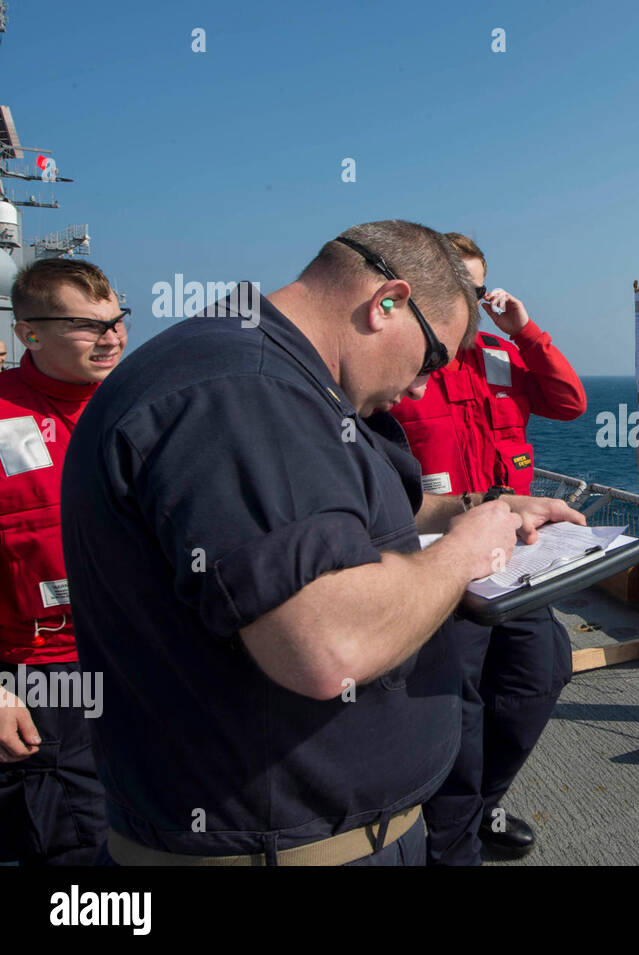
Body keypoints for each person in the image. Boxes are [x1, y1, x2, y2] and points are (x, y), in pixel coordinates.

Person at [61, 220, 585, 865]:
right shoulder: (245, 392)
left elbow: (352, 509)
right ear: (385, 302)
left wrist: (478, 508)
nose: (423, 386)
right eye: (430, 360)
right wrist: (466, 552)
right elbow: (327, 645)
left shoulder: (263, 368)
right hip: (287, 844)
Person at [392, 233, 586, 863]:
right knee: (460, 709)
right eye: (455, 289)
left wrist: (527, 331)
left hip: (515, 557)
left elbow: (568, 402)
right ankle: (450, 845)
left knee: (540, 676)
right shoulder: (406, 366)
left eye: (476, 289)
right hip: (443, 562)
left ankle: (482, 804)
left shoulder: (501, 355)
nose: (469, 302)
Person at [0, 257, 126, 864]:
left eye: (116, 320)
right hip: (45, 684)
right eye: (87, 326)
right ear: (30, 332)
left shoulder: (148, 407)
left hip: (148, 665)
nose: (112, 338)